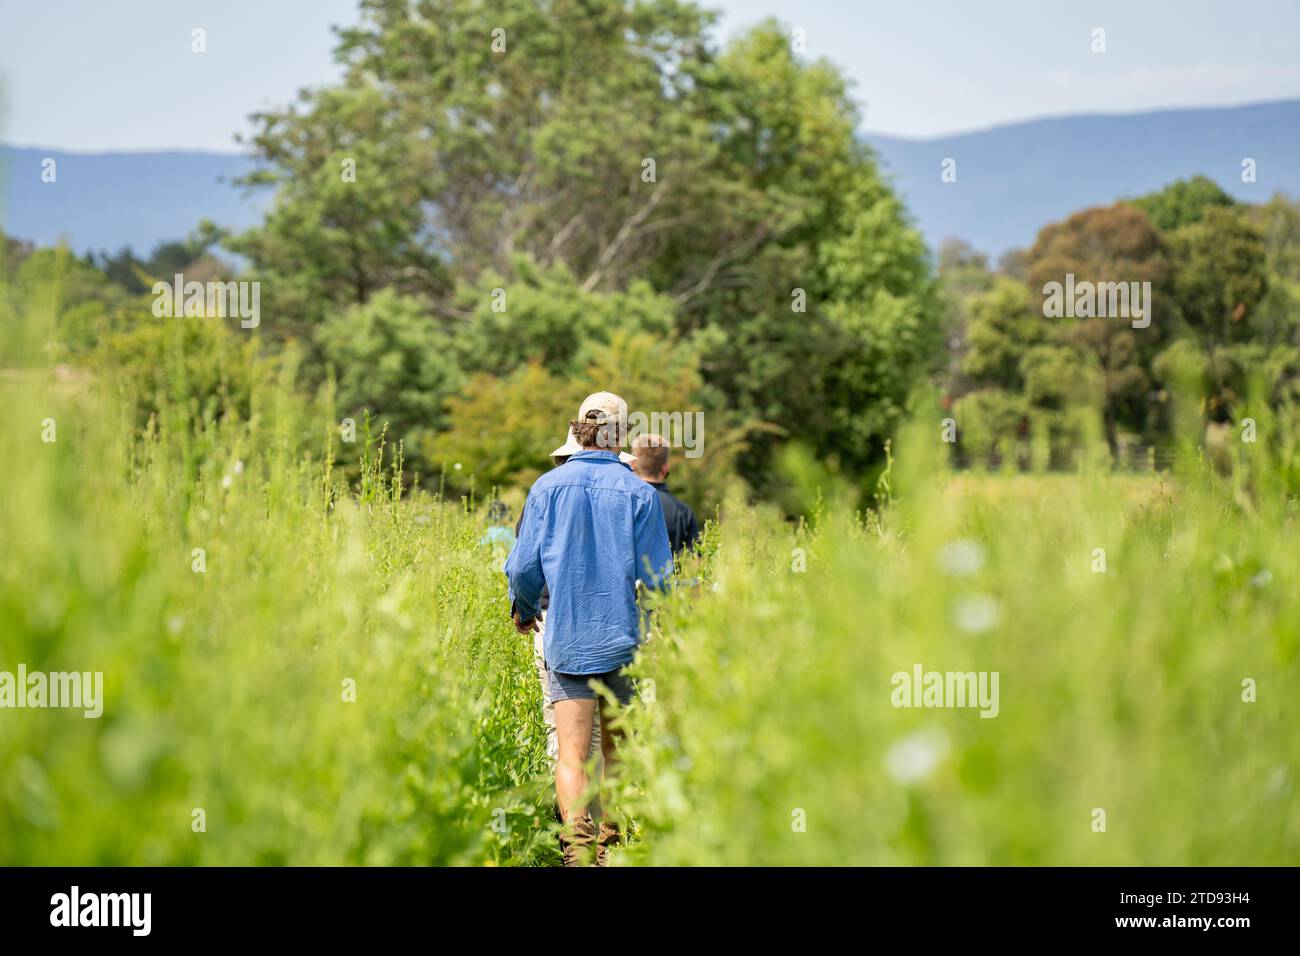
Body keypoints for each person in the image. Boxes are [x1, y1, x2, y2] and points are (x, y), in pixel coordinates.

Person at [505, 392, 672, 866]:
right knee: (617, 752)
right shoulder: (640, 492)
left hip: (568, 640)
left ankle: (577, 853)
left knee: (573, 755)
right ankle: (610, 847)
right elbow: (659, 579)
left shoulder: (548, 486)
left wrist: (522, 607)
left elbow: (523, 569)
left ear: (579, 428)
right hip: (622, 640)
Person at [521, 428, 635, 768]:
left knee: (562, 731)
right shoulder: (625, 493)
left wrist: (523, 609)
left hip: (555, 622)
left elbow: (523, 566)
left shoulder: (544, 493)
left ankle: (571, 814)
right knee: (607, 737)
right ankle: (603, 816)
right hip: (615, 624)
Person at [630, 433, 700, 554]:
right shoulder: (684, 512)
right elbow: (695, 562)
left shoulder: (624, 502)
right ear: (665, 469)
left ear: (632, 465)